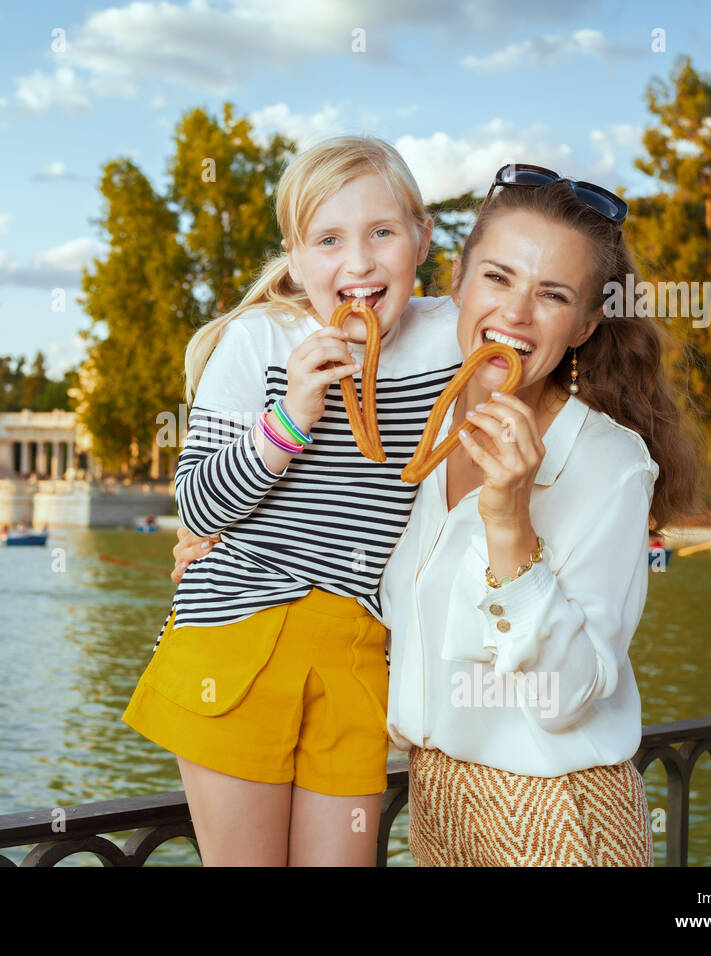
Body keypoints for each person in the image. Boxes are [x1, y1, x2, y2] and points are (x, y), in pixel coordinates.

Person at [174, 164, 706, 866]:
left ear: (586, 322)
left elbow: (569, 696)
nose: (515, 314)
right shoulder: (423, 409)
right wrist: (227, 550)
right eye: (497, 278)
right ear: (457, 280)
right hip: (438, 810)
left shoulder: (609, 464)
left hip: (558, 814)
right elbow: (369, 581)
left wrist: (511, 523)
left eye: (552, 295)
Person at [123, 135, 463, 866]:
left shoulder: (452, 338)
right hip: (239, 636)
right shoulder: (261, 342)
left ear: (421, 238)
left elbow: (546, 319)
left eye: (382, 232)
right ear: (297, 255)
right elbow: (198, 507)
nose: (360, 262)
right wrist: (290, 421)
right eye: (329, 240)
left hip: (358, 653)